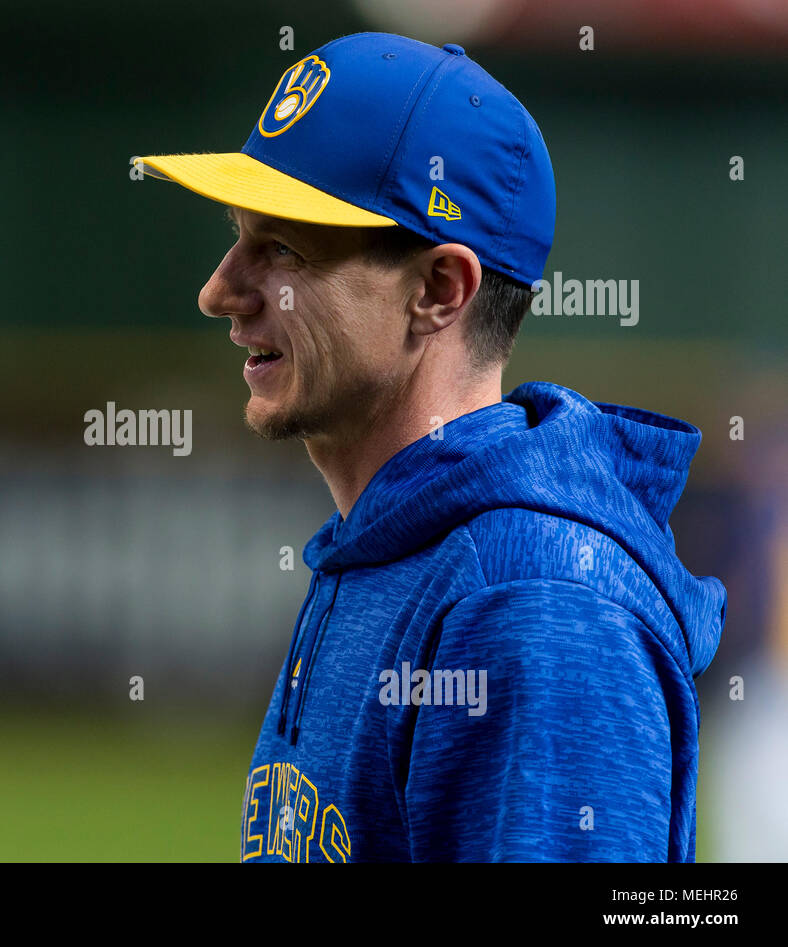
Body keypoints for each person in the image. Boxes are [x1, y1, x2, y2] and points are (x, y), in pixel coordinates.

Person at [135, 32, 726, 862]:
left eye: (283, 251)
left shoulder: (531, 602)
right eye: (237, 237)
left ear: (439, 290)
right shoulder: (392, 545)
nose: (220, 291)